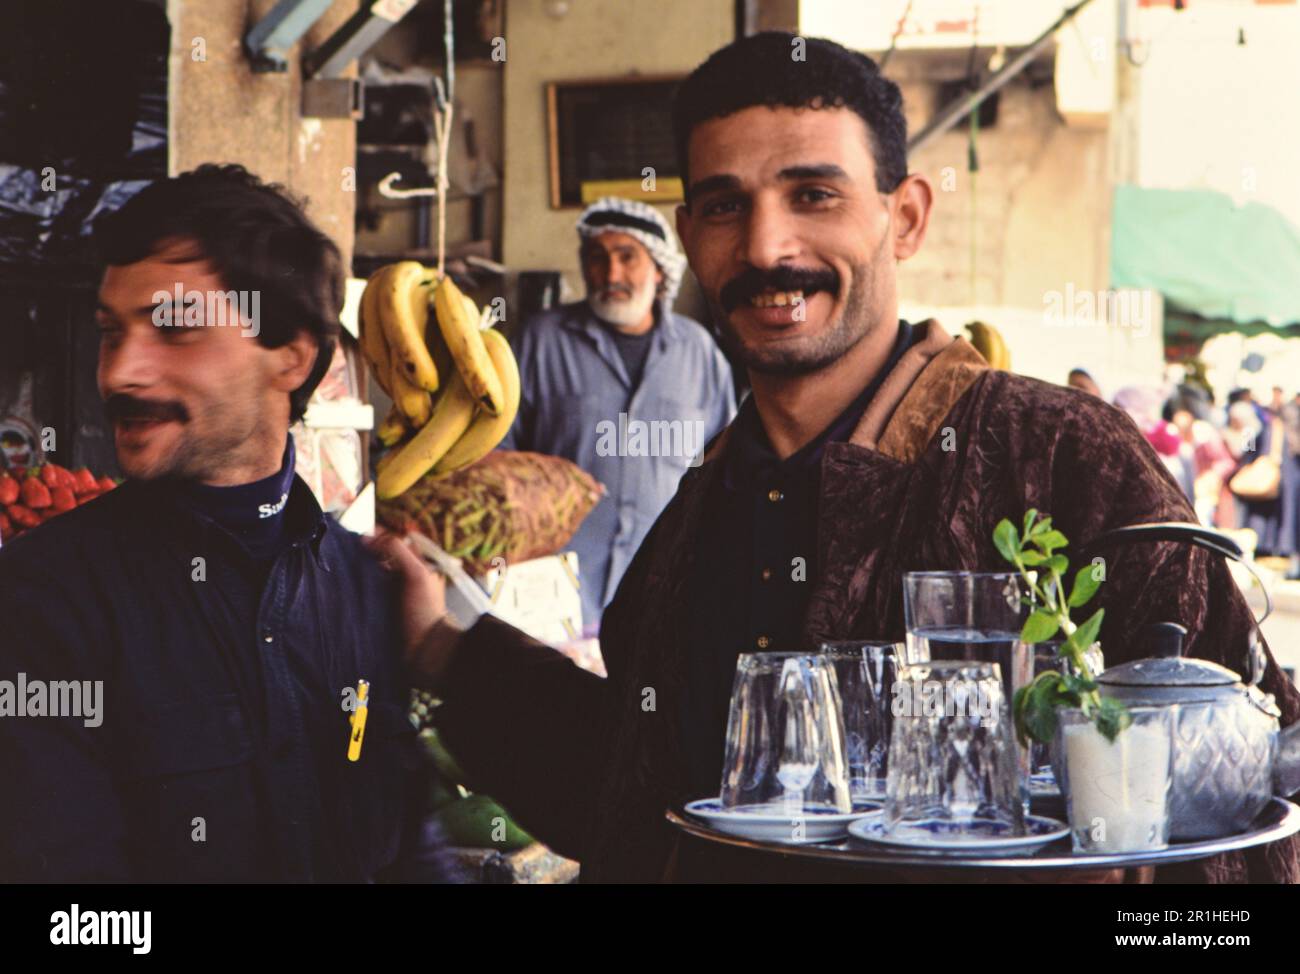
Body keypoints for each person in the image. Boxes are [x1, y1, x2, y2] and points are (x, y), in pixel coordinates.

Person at [374, 33, 1299, 883]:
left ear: (906, 218)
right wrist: (447, 647)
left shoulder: (1055, 458)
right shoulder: (699, 517)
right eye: (725, 205)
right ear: (692, 237)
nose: (768, 247)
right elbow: (630, 788)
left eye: (814, 195)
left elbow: (1256, 807)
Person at [0, 165, 440, 882]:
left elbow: (407, 851)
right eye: (113, 333)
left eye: (173, 329)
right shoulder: (42, 603)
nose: (120, 374)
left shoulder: (363, 587)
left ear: (292, 356)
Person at [501, 197, 735, 629]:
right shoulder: (541, 340)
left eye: (627, 257)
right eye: (597, 258)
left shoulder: (699, 352)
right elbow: (499, 456)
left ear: (660, 269)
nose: (610, 274)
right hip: (554, 594)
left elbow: (725, 471)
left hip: (666, 595)